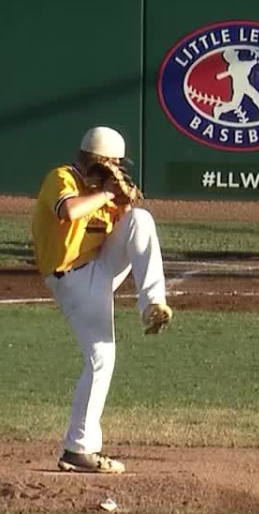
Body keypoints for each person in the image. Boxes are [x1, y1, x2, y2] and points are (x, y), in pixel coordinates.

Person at [31, 126, 174, 474]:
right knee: (101, 359)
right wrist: (107, 195)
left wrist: (122, 203)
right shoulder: (62, 177)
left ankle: (152, 304)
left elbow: (125, 230)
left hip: (101, 265)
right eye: (111, 162)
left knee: (141, 219)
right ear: (96, 160)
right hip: (73, 280)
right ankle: (79, 450)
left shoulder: (104, 191)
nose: (117, 168)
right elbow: (68, 212)